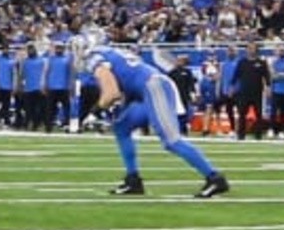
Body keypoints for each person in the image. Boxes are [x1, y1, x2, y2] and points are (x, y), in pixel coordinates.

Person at [91, 36, 225, 199]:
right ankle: (133, 180)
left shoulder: (96, 59)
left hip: (154, 87)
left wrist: (93, 113)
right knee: (122, 127)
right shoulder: (112, 53)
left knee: (171, 141)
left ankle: (215, 178)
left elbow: (111, 93)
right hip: (147, 89)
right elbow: (127, 83)